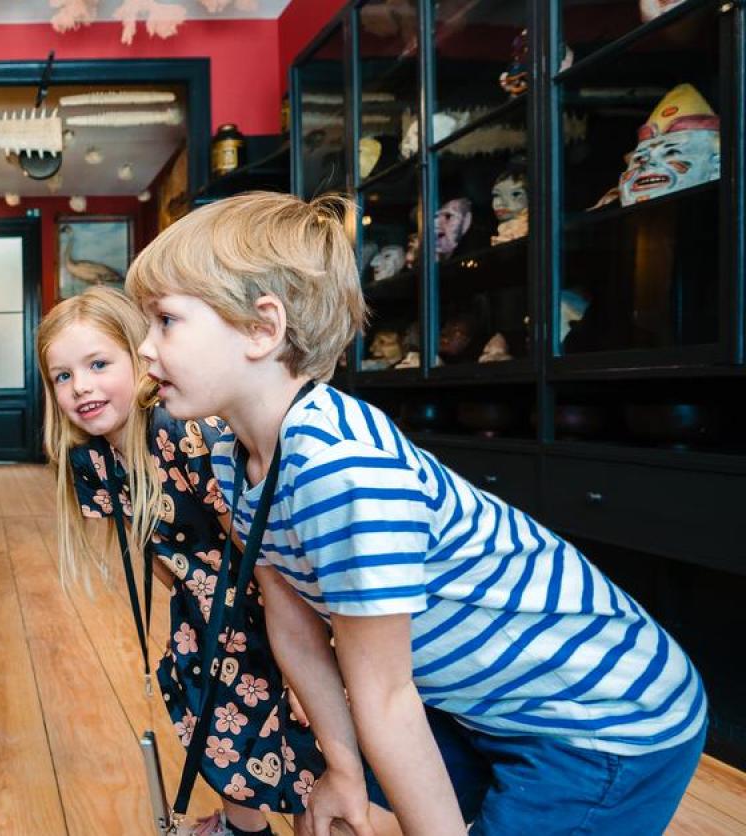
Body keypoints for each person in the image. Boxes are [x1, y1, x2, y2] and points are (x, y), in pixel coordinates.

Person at [127, 191, 707, 836]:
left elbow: (388, 696)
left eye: (165, 321)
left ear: (264, 329)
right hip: (475, 705)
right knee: (332, 796)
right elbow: (292, 622)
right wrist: (342, 767)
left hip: (599, 719)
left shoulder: (342, 470)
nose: (145, 351)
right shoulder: (240, 454)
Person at [38, 286, 327, 836]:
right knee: (215, 725)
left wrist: (301, 665)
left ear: (141, 357)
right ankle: (244, 827)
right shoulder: (92, 457)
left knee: (301, 759)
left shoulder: (179, 432)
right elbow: (155, 549)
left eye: (99, 364)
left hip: (273, 609)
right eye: (63, 376)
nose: (82, 388)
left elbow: (258, 553)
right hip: (204, 611)